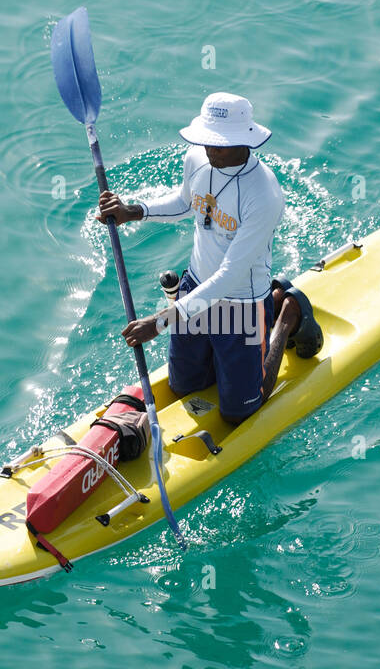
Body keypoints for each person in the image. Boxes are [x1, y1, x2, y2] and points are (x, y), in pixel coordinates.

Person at [96, 92, 322, 426]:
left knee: (240, 411)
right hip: (196, 287)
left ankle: (286, 313)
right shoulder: (198, 159)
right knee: (185, 386)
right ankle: (231, 357)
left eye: (219, 143)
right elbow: (186, 202)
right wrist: (135, 210)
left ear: (245, 141)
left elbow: (231, 275)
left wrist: (160, 321)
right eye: (207, 141)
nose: (209, 149)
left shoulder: (264, 195)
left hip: (241, 304)